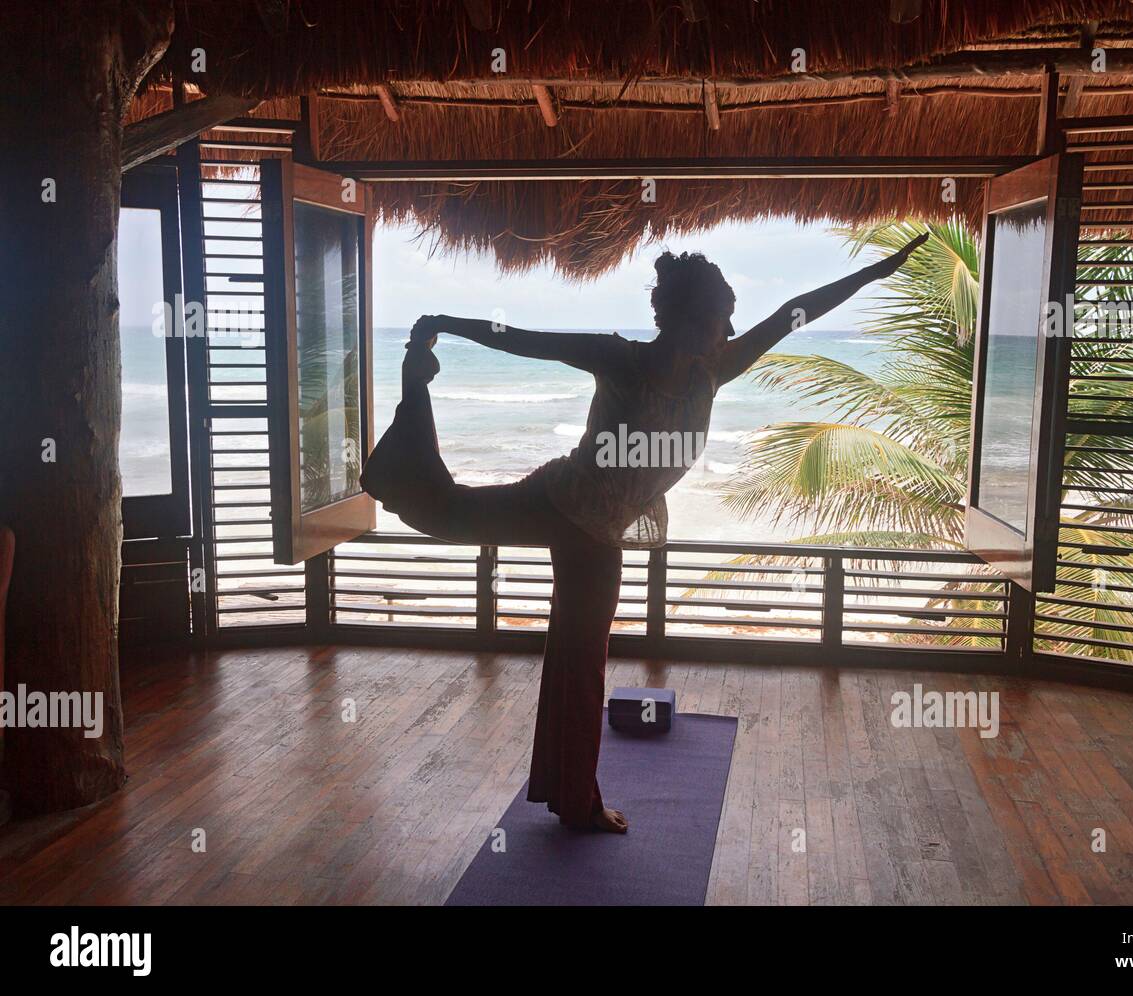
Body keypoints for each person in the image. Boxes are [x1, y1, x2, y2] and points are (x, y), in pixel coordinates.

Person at [361, 234, 927, 833]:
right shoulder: (618, 359)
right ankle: (576, 801)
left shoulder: (714, 370)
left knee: (577, 654)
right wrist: (446, 322)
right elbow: (523, 341)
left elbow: (795, 313)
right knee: (458, 523)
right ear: (687, 321)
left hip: (598, 527)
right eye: (722, 320)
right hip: (560, 505)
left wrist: (873, 273)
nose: (730, 332)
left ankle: (569, 794)